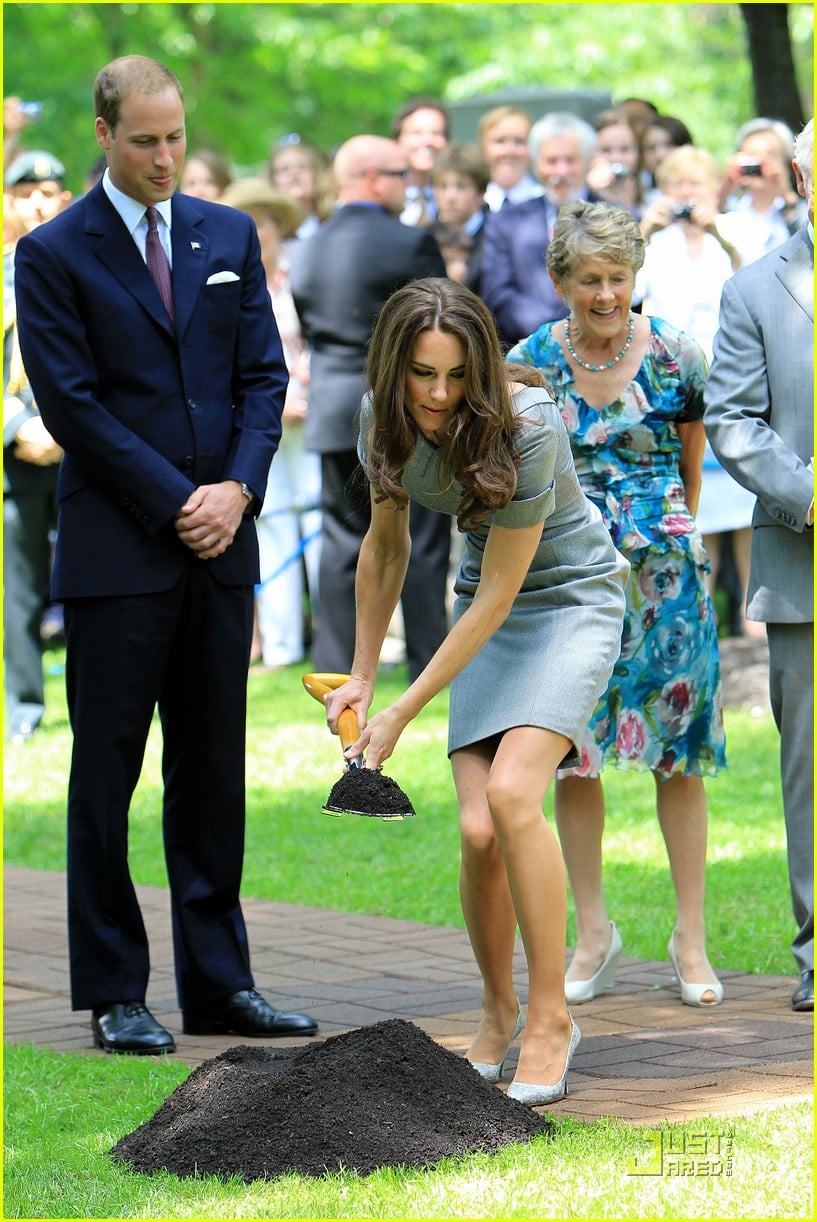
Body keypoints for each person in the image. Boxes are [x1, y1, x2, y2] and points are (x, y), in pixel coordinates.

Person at [14, 54, 318, 1054]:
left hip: (222, 542)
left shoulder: (225, 234)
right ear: (103, 133)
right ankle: (114, 990)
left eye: (175, 137)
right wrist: (178, 500)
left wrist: (237, 490)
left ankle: (221, 986)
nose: (163, 157)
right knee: (106, 775)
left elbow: (262, 380)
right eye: (143, 140)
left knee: (212, 772)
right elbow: (71, 406)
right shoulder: (52, 252)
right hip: (118, 551)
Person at [324, 277, 628, 1104]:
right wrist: (362, 673)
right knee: (476, 829)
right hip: (483, 605)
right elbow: (385, 547)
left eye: (457, 376)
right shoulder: (378, 418)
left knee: (512, 794)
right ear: (394, 367)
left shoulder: (528, 424)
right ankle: (497, 1009)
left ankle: (551, 1019)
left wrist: (401, 710)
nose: (438, 394)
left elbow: (502, 593)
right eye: (422, 374)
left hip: (566, 601)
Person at [508, 201, 726, 1009]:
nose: (605, 294)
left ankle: (689, 939)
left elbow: (691, 463)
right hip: (569, 583)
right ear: (559, 280)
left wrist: (667, 544)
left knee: (680, 759)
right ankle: (593, 935)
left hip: (667, 582)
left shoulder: (676, 353)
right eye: (589, 280)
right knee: (573, 756)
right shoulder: (528, 362)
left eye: (618, 278)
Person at [705, 119, 814, 1014]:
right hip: (804, 563)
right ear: (801, 181)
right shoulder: (753, 288)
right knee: (810, 779)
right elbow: (732, 420)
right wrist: (808, 495)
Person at [289, 134, 451, 681]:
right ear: (372, 178)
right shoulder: (411, 243)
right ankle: (427, 659)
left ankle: (335, 665)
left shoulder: (307, 248)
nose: (410, 186)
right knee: (421, 535)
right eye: (402, 175)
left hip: (333, 405)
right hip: (400, 405)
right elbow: (440, 324)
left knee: (340, 539)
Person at [637, 144, 760, 637]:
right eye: (678, 185)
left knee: (743, 499)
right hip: (672, 382)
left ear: (714, 189)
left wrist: (719, 235)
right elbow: (628, 290)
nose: (688, 194)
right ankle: (701, 607)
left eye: (696, 184)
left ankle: (751, 612)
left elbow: (757, 284)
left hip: (732, 377)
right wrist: (645, 229)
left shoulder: (735, 229)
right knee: (692, 498)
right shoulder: (656, 241)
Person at [219, 176, 321, 669]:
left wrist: (311, 394)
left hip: (313, 414)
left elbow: (323, 340)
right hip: (260, 420)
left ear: (281, 226)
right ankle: (282, 645)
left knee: (320, 520)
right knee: (272, 521)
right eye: (249, 222)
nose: (258, 232)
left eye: (265, 222)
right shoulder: (226, 280)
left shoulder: (304, 274)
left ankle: (332, 637)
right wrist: (270, 405)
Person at [3, 147, 70, 744]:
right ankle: (24, 705)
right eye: (25, 194)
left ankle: (101, 697)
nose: (38, 203)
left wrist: (63, 426)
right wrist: (17, 425)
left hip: (82, 452)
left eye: (48, 193)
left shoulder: (89, 270)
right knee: (18, 590)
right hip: (17, 456)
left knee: (93, 583)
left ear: (65, 200)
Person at [480, 111, 598, 346]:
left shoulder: (617, 216)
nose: (561, 172)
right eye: (551, 161)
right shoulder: (506, 221)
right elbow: (497, 293)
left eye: (570, 160)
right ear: (536, 164)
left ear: (587, 162)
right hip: (529, 350)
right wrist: (553, 334)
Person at [720, 118, 807, 265]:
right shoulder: (729, 211)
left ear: (788, 164)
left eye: (770, 155)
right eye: (752, 156)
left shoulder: (802, 211)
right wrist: (724, 190)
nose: (760, 163)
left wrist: (786, 197)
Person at [429, 141, 490, 292]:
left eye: (461, 187)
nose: (450, 197)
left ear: (481, 193)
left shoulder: (495, 237)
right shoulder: (426, 237)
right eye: (443, 186)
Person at [391, 97, 449, 226]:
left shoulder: (461, 196)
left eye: (437, 133)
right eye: (416, 133)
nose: (428, 141)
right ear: (397, 141)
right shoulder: (385, 198)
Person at [267, 134, 335, 241]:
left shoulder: (337, 222)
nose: (294, 173)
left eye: (302, 167)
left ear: (317, 175)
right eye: (284, 169)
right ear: (273, 180)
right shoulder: (265, 235)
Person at [477, 105, 543, 212]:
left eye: (519, 141)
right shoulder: (473, 206)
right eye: (500, 141)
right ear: (483, 147)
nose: (509, 151)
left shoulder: (546, 206)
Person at [586, 110, 642, 217]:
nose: (616, 158)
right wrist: (590, 192)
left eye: (625, 149)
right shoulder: (579, 195)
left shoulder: (652, 198)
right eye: (606, 150)